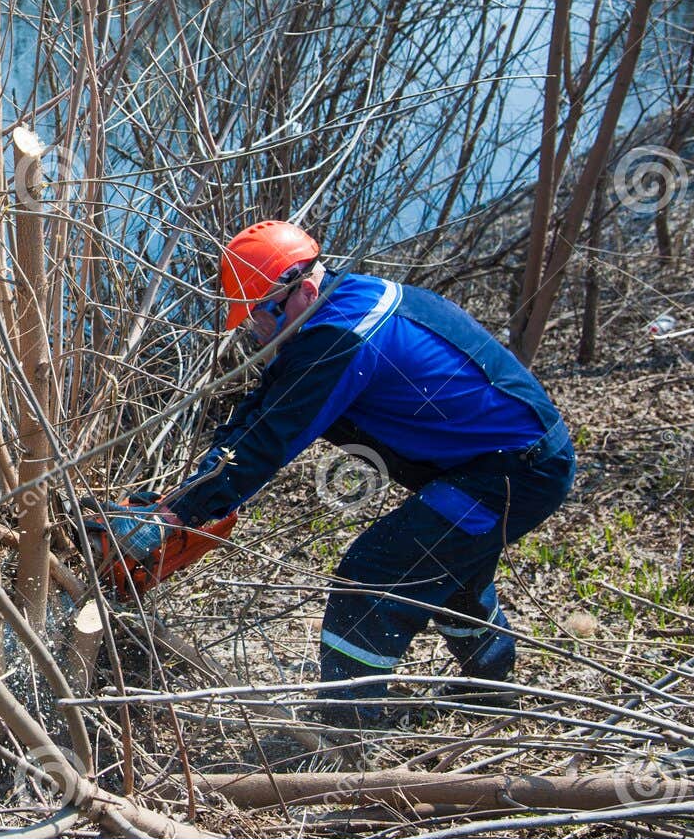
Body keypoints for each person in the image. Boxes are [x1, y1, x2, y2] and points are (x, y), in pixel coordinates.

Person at [90, 220, 576, 727]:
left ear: (301, 290)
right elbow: (265, 405)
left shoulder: (342, 340)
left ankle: (349, 730)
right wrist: (189, 495)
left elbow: (273, 436)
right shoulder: (341, 308)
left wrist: (183, 511)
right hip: (495, 459)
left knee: (375, 577)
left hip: (516, 469)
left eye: (259, 315)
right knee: (449, 573)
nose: (254, 330)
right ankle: (492, 692)